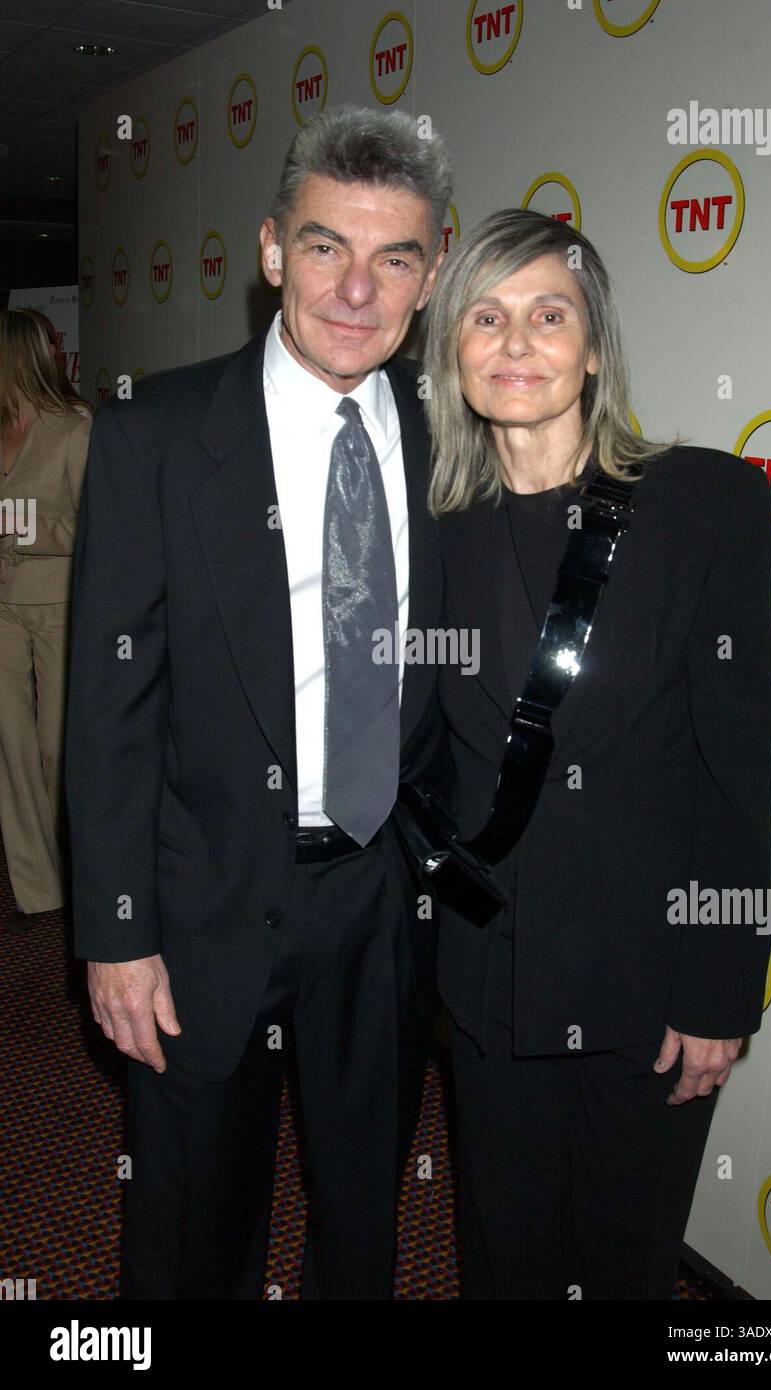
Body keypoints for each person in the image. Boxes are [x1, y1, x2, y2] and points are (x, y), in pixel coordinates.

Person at [64, 105, 451, 1300]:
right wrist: (117, 930)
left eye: (394, 258)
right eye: (327, 246)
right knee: (189, 1228)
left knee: (362, 1216)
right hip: (202, 899)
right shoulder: (156, 434)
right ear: (273, 248)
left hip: (382, 898)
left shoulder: (455, 443)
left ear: (430, 276)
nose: (355, 289)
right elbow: (108, 703)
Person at [422, 209, 771, 1300]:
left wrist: (720, 986)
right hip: (492, 979)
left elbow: (736, 767)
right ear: (452, 350)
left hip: (648, 978)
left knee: (624, 1264)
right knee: (506, 1257)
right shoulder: (428, 524)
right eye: (486, 315)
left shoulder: (704, 503)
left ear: (592, 344)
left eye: (548, 313)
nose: (516, 341)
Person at [0, 308, 92, 930]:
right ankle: (38, 890)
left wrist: (19, 527)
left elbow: (98, 523)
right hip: (1, 606)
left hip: (59, 601)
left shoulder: (74, 426)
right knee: (11, 747)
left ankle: (83, 870)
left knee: (60, 746)